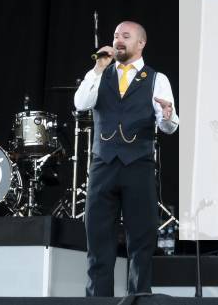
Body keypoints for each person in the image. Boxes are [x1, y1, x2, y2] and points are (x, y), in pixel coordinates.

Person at [75, 20, 179, 297]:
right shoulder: (100, 75)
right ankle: (98, 301)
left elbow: (169, 126)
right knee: (98, 241)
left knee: (142, 242)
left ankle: (139, 299)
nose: (118, 40)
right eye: (116, 35)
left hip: (139, 165)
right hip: (103, 165)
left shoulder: (157, 78)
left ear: (140, 43)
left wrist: (168, 116)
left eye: (126, 36)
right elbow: (80, 104)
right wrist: (98, 68)